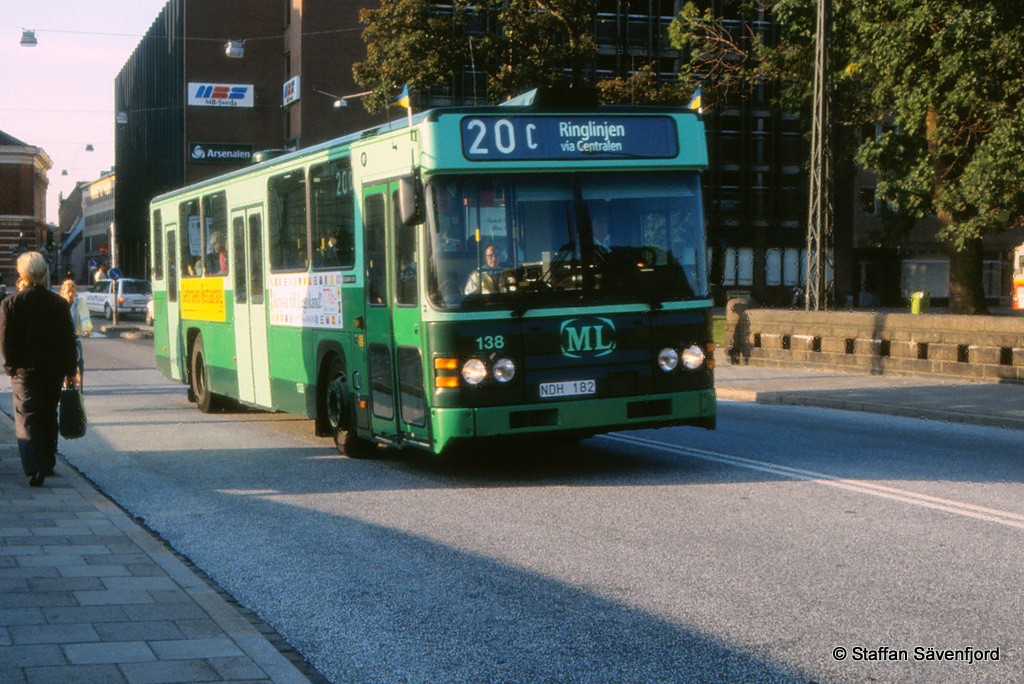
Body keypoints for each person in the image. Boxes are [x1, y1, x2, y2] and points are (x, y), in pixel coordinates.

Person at [0, 252, 77, 487]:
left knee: (28, 416)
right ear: (44, 273)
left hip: (25, 371)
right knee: (48, 413)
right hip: (52, 370)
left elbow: (6, 342)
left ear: (22, 274)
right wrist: (70, 371)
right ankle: (49, 462)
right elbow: (68, 340)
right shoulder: (58, 303)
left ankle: (35, 467)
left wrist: (12, 367)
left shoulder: (10, 304)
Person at [60, 279, 93, 387]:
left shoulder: (79, 302)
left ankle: (79, 386)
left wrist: (86, 329)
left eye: (73, 291)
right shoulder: (59, 303)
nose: (71, 294)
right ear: (63, 292)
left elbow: (84, 316)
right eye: (68, 291)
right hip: (61, 338)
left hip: (75, 337)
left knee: (79, 361)